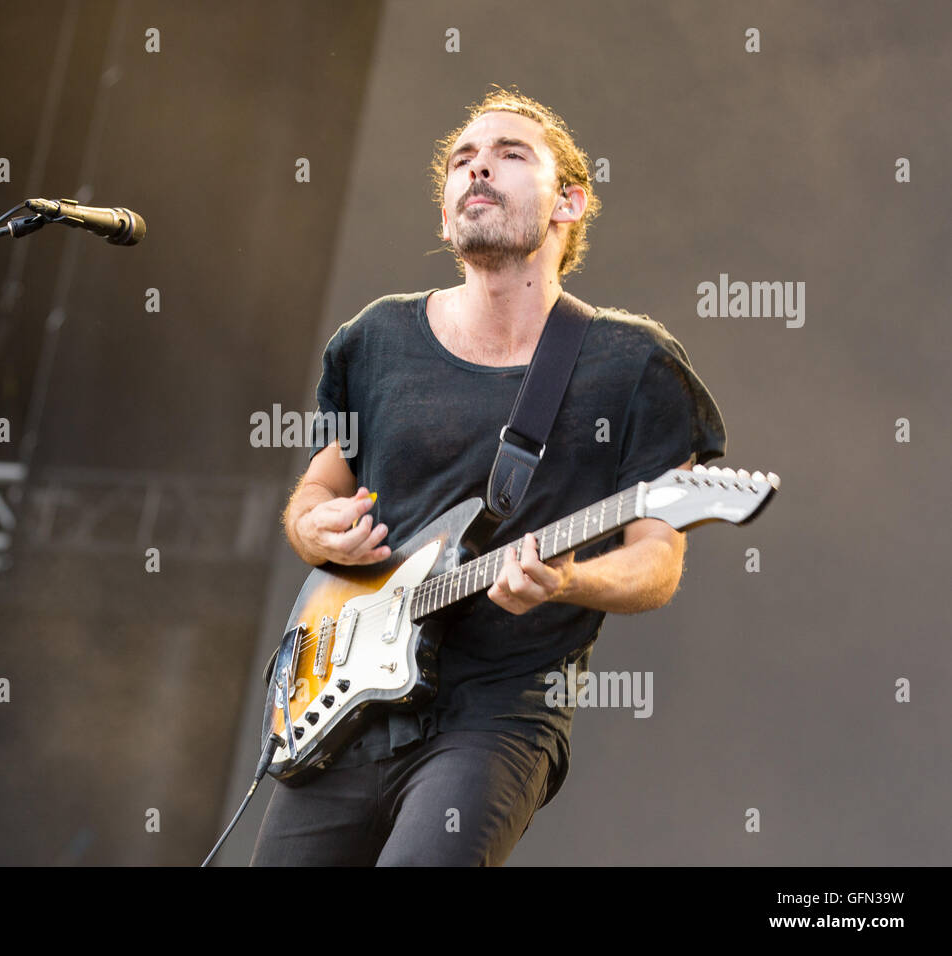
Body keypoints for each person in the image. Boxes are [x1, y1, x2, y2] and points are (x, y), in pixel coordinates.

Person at [248, 87, 726, 866]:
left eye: (509, 156)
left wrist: (569, 581)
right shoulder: (375, 340)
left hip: (499, 713)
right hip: (344, 706)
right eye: (463, 161)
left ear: (569, 201)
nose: (479, 170)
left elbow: (658, 558)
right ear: (444, 218)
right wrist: (310, 525)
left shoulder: (631, 365)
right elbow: (317, 488)